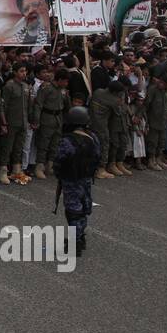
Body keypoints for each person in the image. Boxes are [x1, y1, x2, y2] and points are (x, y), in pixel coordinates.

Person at [53, 105, 99, 256]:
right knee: (83, 208)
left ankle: (75, 243)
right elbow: (98, 156)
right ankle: (80, 237)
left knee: (73, 211)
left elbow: (59, 159)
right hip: (86, 179)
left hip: (71, 180)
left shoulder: (68, 140)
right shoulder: (93, 137)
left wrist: (59, 174)